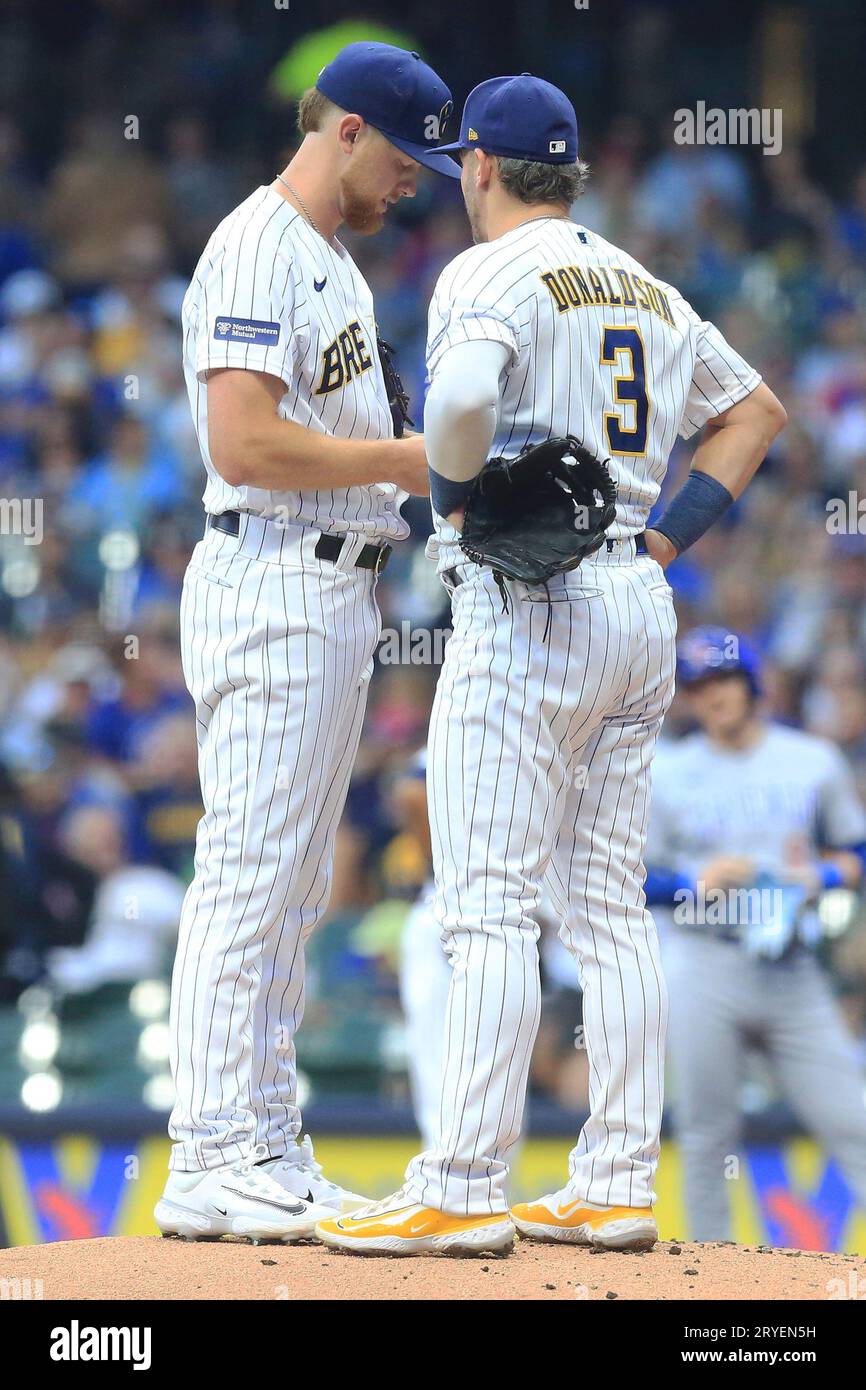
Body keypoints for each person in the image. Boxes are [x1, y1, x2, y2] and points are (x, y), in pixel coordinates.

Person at [316, 73, 786, 1258]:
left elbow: (465, 394)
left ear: (477, 166)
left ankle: (464, 1183)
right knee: (610, 914)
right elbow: (755, 413)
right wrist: (670, 533)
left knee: (484, 908)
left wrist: (454, 501)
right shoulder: (643, 282)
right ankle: (616, 1180)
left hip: (530, 604)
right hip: (635, 594)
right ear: (564, 173)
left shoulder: (488, 270)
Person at [155, 42, 460, 1245]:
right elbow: (242, 443)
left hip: (332, 588)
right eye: (402, 155)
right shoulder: (258, 244)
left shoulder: (328, 258)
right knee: (248, 877)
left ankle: (265, 1136)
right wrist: (409, 456)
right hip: (274, 571)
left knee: (289, 891)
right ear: (343, 130)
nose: (416, 182)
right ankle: (209, 1152)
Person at [649, 626, 866, 1242]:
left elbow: (858, 851)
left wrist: (821, 874)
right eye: (697, 685)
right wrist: (691, 880)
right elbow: (630, 880)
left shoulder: (811, 760)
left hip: (790, 967)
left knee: (854, 1119)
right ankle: (708, 1277)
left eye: (720, 679)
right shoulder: (668, 771)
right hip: (704, 961)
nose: (710, 695)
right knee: (704, 1132)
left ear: (750, 683)